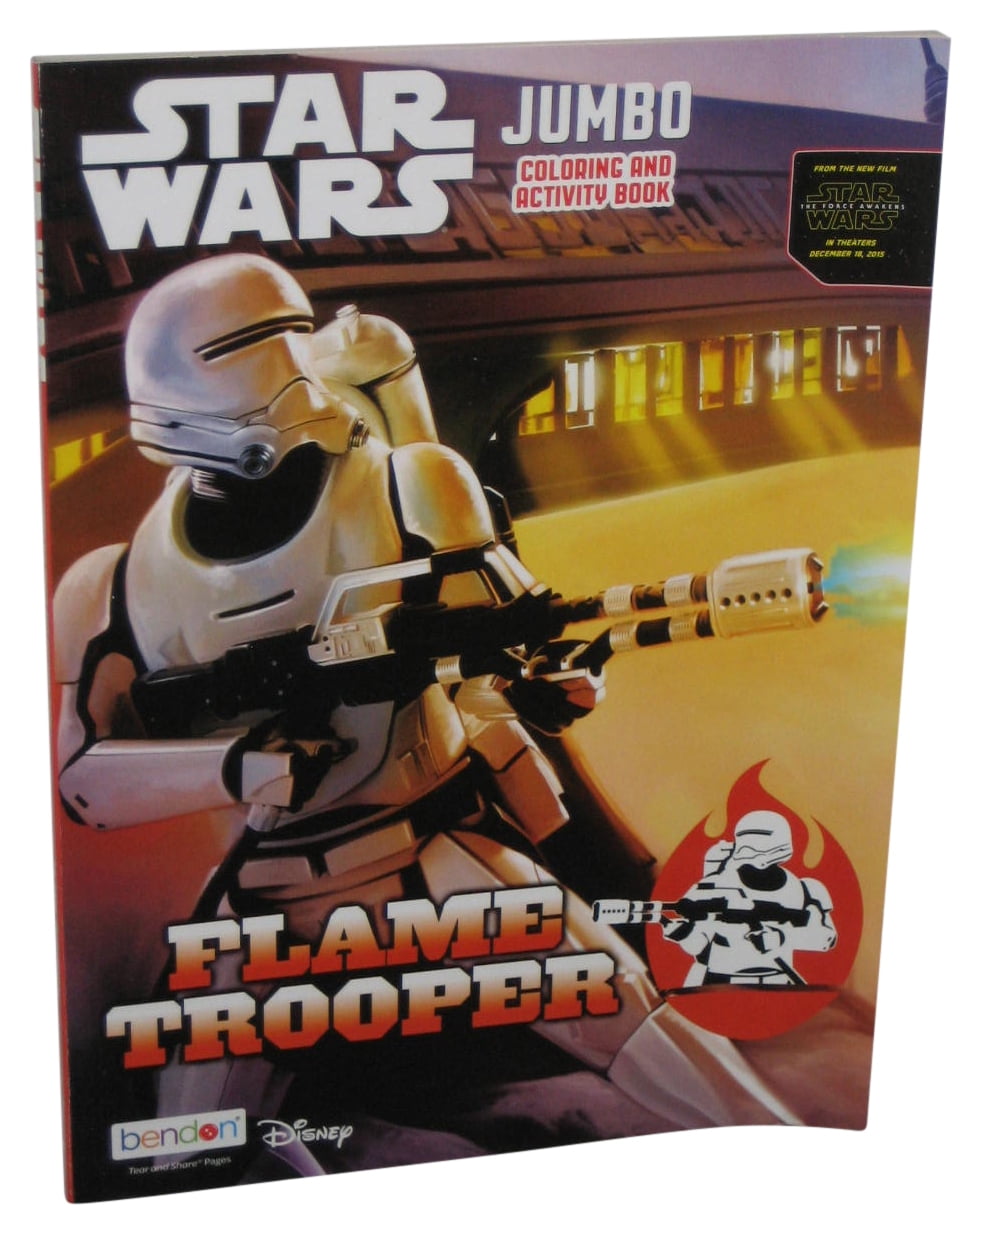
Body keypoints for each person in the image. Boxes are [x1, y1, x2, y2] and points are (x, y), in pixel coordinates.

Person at [53, 254, 795, 1175]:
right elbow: (83, 780)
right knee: (182, 1149)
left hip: (435, 852)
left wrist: (537, 686)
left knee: (638, 1025)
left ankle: (778, 1151)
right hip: (267, 896)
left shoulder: (405, 486)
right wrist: (239, 765)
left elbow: (494, 651)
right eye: (265, 353)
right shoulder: (110, 586)